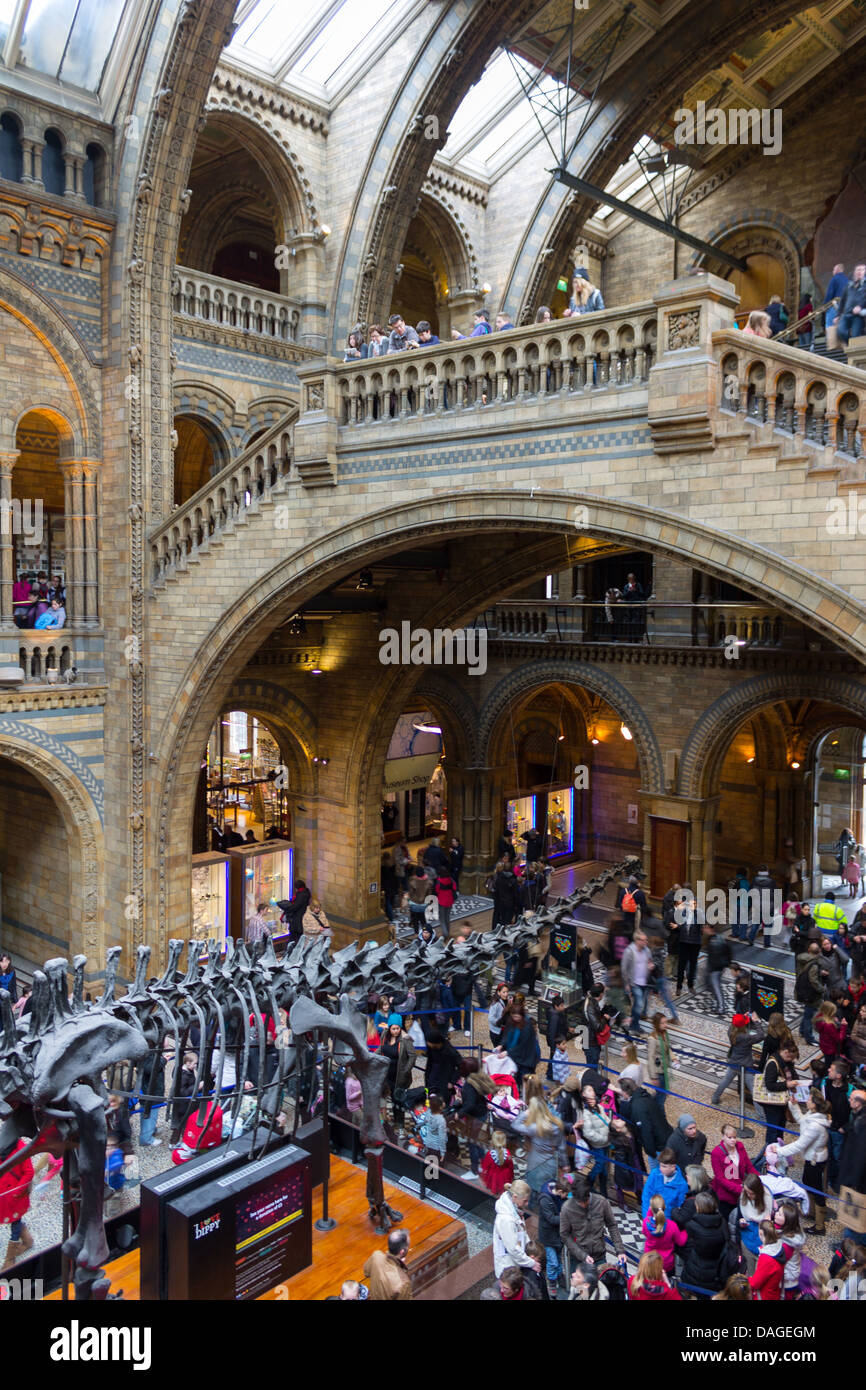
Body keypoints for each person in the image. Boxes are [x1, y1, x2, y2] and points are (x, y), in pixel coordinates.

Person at [776, 1088, 831, 1234]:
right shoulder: (814, 1115)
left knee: (816, 1189)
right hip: (811, 1158)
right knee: (808, 1183)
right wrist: (793, 1106)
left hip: (815, 1161)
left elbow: (800, 1144)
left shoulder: (815, 1125)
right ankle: (811, 1212)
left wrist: (780, 1151)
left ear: (814, 1104)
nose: (806, 1100)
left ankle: (820, 1226)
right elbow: (802, 1121)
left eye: (809, 1099)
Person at [559, 1174, 627, 1269]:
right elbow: (564, 1234)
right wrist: (582, 1255)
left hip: (599, 1257)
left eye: (584, 1202)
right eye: (579, 1203)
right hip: (578, 1259)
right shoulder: (567, 1208)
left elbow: (612, 1225)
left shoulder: (601, 1202)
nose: (582, 1205)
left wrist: (620, 1251)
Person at [618, 1076, 671, 1170]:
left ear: (625, 1092)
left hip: (658, 1146)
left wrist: (650, 1151)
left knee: (656, 1173)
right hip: (665, 1136)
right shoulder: (644, 1095)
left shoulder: (637, 1107)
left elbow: (645, 1130)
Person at [681, 1189, 728, 1294]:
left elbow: (688, 1246)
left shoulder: (692, 1225)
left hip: (696, 1268)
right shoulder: (722, 1222)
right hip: (716, 1270)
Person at [493, 1179, 541, 1278]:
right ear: (514, 1197)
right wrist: (531, 1263)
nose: (527, 1204)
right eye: (525, 1201)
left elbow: (522, 1232)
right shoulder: (506, 1219)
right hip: (508, 1270)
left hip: (515, 1264)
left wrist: (529, 1250)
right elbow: (513, 1248)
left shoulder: (514, 1210)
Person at [711, 1012, 760, 1107]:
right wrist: (757, 1022)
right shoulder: (746, 1037)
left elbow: (735, 1024)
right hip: (746, 1066)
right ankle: (762, 1116)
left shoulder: (731, 1032)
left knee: (725, 1080)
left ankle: (715, 1098)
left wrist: (743, 1017)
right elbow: (761, 1036)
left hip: (733, 1062)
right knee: (753, 1090)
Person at [0, 1136, 34, 1271]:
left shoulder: (19, 1145)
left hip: (15, 1196)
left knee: (15, 1221)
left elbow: (29, 1171)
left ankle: (10, 1258)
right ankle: (27, 1240)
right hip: (3, 1197)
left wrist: (16, 1193)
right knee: (14, 1220)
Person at [837, 1088, 866, 1241]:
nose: (849, 1100)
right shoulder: (859, 1118)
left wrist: (852, 1181)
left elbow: (859, 1156)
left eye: (852, 1098)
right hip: (857, 1178)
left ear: (858, 1103)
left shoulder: (862, 1123)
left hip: (857, 1182)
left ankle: (851, 1245)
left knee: (855, 1216)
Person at [760, 1041, 800, 1150]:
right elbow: (770, 1085)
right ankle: (769, 1154)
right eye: (791, 1057)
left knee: (780, 1127)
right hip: (772, 1103)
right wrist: (787, 1084)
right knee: (773, 1129)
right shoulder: (773, 1063)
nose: (792, 1060)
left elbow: (792, 1073)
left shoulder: (787, 1062)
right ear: (786, 1052)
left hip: (782, 1101)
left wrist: (796, 1082)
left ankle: (779, 1150)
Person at [736, 1171, 774, 1275]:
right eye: (747, 1192)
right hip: (747, 1238)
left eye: (751, 1193)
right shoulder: (742, 1197)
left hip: (762, 1239)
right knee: (751, 1273)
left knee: (761, 1274)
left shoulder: (767, 1198)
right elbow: (738, 1219)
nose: (748, 1195)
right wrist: (741, 1222)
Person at [537, 1173, 570, 1298]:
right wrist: (565, 1217)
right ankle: (551, 1282)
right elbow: (551, 1219)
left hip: (558, 1235)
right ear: (560, 1191)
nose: (566, 1197)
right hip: (548, 1237)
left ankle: (559, 1276)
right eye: (565, 1195)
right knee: (553, 1262)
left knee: (558, 1258)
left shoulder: (557, 1195)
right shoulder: (545, 1199)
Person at [642, 1193, 687, 1275]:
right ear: (664, 1208)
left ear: (651, 1208)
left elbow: (644, 1232)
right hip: (666, 1264)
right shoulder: (672, 1225)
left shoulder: (646, 1223)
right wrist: (685, 1231)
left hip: (650, 1262)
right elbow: (681, 1241)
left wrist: (651, 1212)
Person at [363, 1228, 412, 1300]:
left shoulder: (376, 1256)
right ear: (402, 1252)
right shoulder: (403, 1283)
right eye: (408, 1246)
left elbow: (366, 1272)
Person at [641, 1147, 688, 1219]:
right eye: (660, 1165)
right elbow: (646, 1196)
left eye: (664, 1166)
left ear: (673, 1167)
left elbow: (680, 1207)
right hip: (651, 1217)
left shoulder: (682, 1185)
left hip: (668, 1221)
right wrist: (646, 1217)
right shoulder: (654, 1174)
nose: (660, 1168)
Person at [622, 930, 653, 1032]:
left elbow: (650, 962)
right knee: (639, 1004)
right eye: (643, 940)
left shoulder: (647, 950)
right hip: (634, 983)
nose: (645, 942)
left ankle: (630, 1021)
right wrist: (626, 984)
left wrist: (651, 966)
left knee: (637, 1005)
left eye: (646, 940)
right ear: (637, 940)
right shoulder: (629, 951)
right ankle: (635, 1026)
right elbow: (624, 969)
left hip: (645, 982)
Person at [675, 885, 704, 993]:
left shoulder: (699, 913)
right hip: (684, 941)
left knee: (692, 965)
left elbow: (701, 923)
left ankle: (690, 985)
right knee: (681, 965)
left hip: (695, 942)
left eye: (695, 904)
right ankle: (679, 986)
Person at [748, 1221, 787, 1300]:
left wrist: (747, 1278)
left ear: (761, 1233)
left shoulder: (766, 1258)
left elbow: (755, 1283)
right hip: (774, 1292)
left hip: (764, 1296)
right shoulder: (779, 1248)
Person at [796, 941, 825, 1044]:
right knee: (809, 1015)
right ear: (819, 951)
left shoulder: (802, 958)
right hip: (811, 994)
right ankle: (809, 1038)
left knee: (807, 1012)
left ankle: (802, 1031)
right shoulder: (814, 964)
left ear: (809, 950)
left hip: (802, 990)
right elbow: (814, 981)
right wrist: (822, 989)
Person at [424, 1029, 461, 1103]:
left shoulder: (450, 1051)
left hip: (445, 1082)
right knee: (430, 1102)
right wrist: (427, 1077)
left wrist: (452, 1081)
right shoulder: (431, 1048)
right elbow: (429, 1062)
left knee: (443, 1104)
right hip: (432, 1079)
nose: (427, 1044)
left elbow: (461, 1066)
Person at [646, 1013, 673, 1112]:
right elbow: (650, 1058)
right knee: (661, 1097)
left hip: (664, 1067)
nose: (665, 1025)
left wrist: (673, 1058)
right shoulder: (652, 1038)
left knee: (661, 1094)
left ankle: (648, 1105)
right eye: (662, 1023)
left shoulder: (664, 1033)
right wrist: (653, 1077)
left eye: (666, 1022)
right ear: (656, 1024)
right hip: (658, 1071)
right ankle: (661, 1117)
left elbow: (667, 1048)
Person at [544, 993, 572, 1081]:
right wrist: (553, 1046)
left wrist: (567, 1028)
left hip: (559, 1040)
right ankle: (551, 1075)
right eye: (562, 1005)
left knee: (554, 1058)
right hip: (556, 1042)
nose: (563, 1007)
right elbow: (552, 1032)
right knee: (554, 1058)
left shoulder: (558, 1013)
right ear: (556, 1006)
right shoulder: (554, 1017)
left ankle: (551, 1073)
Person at [705, 927, 732, 1016]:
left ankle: (721, 1007)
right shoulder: (719, 937)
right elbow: (728, 952)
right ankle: (718, 1004)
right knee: (713, 985)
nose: (704, 930)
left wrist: (712, 968)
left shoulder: (714, 941)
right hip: (719, 966)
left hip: (715, 968)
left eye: (705, 928)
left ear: (710, 929)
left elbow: (714, 957)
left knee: (716, 987)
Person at [836, 264, 866, 345]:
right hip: (846, 314)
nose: (860, 272)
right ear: (855, 272)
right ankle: (850, 345)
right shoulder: (849, 285)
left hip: (858, 316)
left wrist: (860, 306)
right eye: (858, 270)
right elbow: (842, 300)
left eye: (862, 270)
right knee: (840, 332)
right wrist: (838, 315)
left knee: (855, 336)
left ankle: (853, 347)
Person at [480, 1130, 514, 1196]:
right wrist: (511, 1174)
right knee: (503, 1189)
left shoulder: (489, 1154)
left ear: (493, 1141)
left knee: (494, 1187)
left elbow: (485, 1166)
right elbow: (511, 1165)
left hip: (493, 1174)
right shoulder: (508, 1152)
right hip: (505, 1175)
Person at [416, 1093, 447, 1161]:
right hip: (437, 1147)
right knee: (437, 1167)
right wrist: (443, 1153)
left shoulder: (428, 1113)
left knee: (429, 1165)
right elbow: (442, 1138)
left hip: (428, 1143)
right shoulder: (441, 1120)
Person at [824, 263, 849, 344]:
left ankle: (831, 342)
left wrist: (825, 305)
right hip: (845, 306)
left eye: (833, 269)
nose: (833, 271)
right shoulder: (847, 280)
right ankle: (843, 342)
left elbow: (830, 293)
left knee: (830, 324)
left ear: (837, 270)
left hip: (834, 305)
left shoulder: (834, 279)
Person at [433, 868, 457, 938]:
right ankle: (448, 932)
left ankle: (445, 934)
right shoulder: (451, 879)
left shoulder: (438, 881)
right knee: (447, 917)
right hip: (450, 901)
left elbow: (437, 891)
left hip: (441, 901)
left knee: (442, 919)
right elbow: (455, 887)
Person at [407, 867, 431, 932]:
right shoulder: (428, 882)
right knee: (423, 920)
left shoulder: (412, 882)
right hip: (423, 904)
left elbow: (411, 894)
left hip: (414, 904)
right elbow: (429, 894)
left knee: (415, 920)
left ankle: (416, 933)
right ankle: (425, 933)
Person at [488, 981, 511, 1049]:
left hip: (504, 1030)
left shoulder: (507, 1000)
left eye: (507, 992)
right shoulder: (495, 1003)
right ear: (498, 992)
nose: (506, 994)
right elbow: (490, 1018)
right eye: (504, 992)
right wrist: (498, 1022)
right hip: (496, 1033)